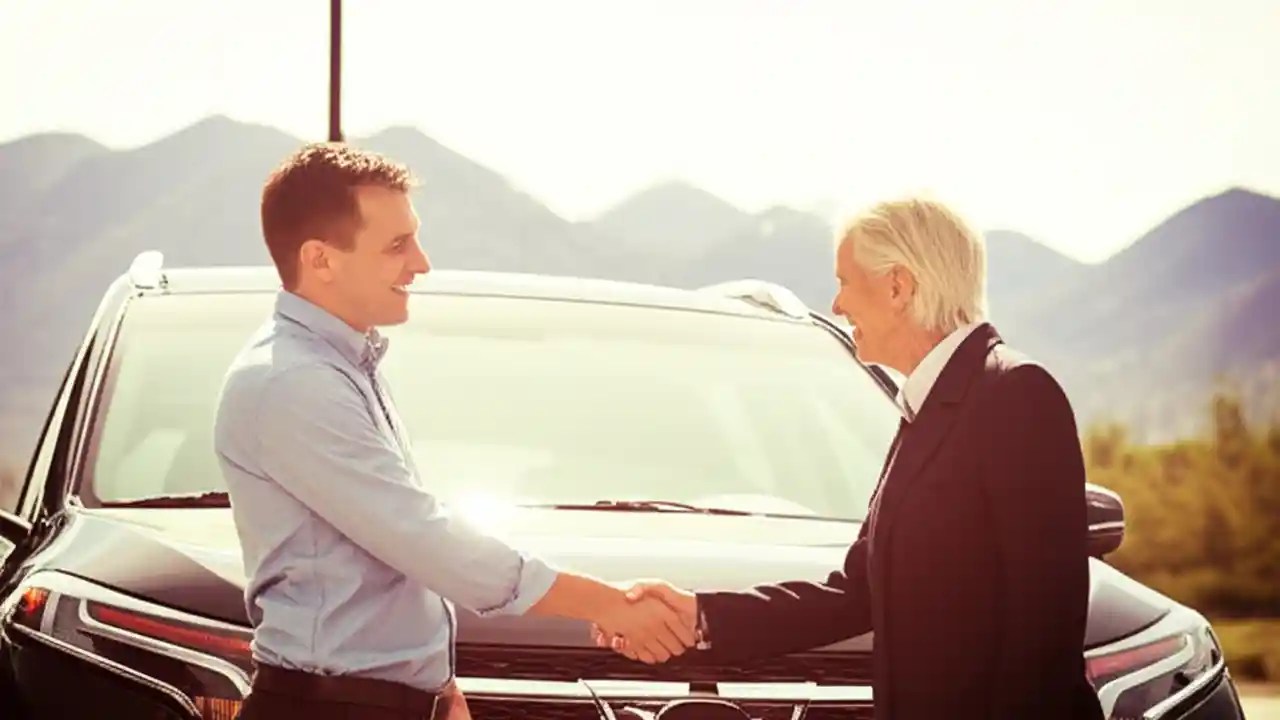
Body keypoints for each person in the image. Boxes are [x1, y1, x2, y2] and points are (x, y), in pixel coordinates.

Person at [214, 143, 695, 720]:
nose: (421, 263)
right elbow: (423, 538)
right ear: (320, 260)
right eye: (397, 245)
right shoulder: (294, 383)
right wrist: (606, 603)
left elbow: (392, 560)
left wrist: (438, 690)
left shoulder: (340, 367)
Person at [600, 197, 1106, 720]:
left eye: (844, 280)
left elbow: (1044, 637)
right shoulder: (930, 407)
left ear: (897, 286)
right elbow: (855, 594)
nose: (837, 305)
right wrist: (702, 615)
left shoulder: (1015, 394)